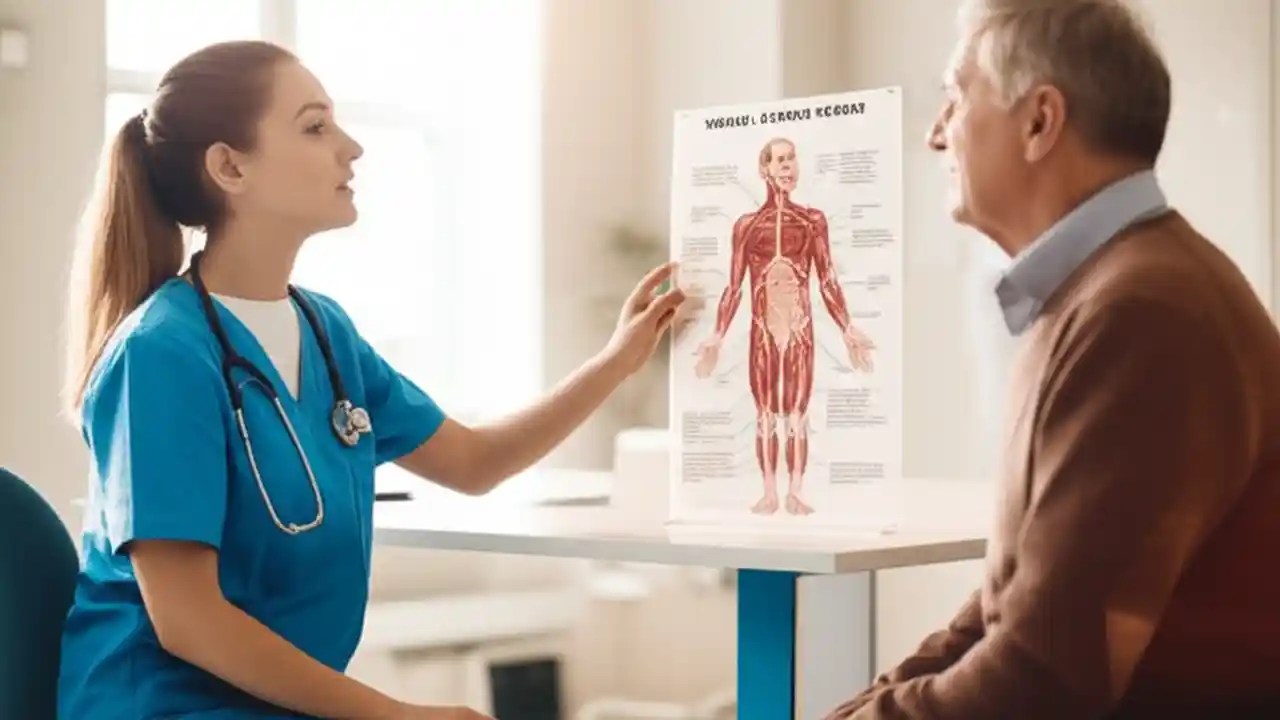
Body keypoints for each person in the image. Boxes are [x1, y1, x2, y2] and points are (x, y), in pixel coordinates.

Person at [57, 40, 686, 720]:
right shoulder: (161, 354)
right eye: (315, 126)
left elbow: (474, 462)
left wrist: (618, 361)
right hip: (159, 706)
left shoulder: (326, 334)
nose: (350, 148)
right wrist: (398, 714)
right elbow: (188, 621)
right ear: (229, 166)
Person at [824, 0, 1280, 718]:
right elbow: (1022, 602)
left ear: (1039, 121)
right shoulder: (1115, 290)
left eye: (954, 97)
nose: (935, 134)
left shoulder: (1138, 313)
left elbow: (1044, 676)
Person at [692, 137, 874, 516]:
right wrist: (717, 335)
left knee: (795, 415)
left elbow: (827, 280)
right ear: (765, 169)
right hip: (762, 330)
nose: (789, 166)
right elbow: (734, 286)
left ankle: (795, 492)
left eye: (793, 159)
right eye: (781, 160)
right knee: (764, 416)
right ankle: (769, 493)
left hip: (799, 330)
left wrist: (847, 328)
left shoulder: (812, 221)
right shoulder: (747, 226)